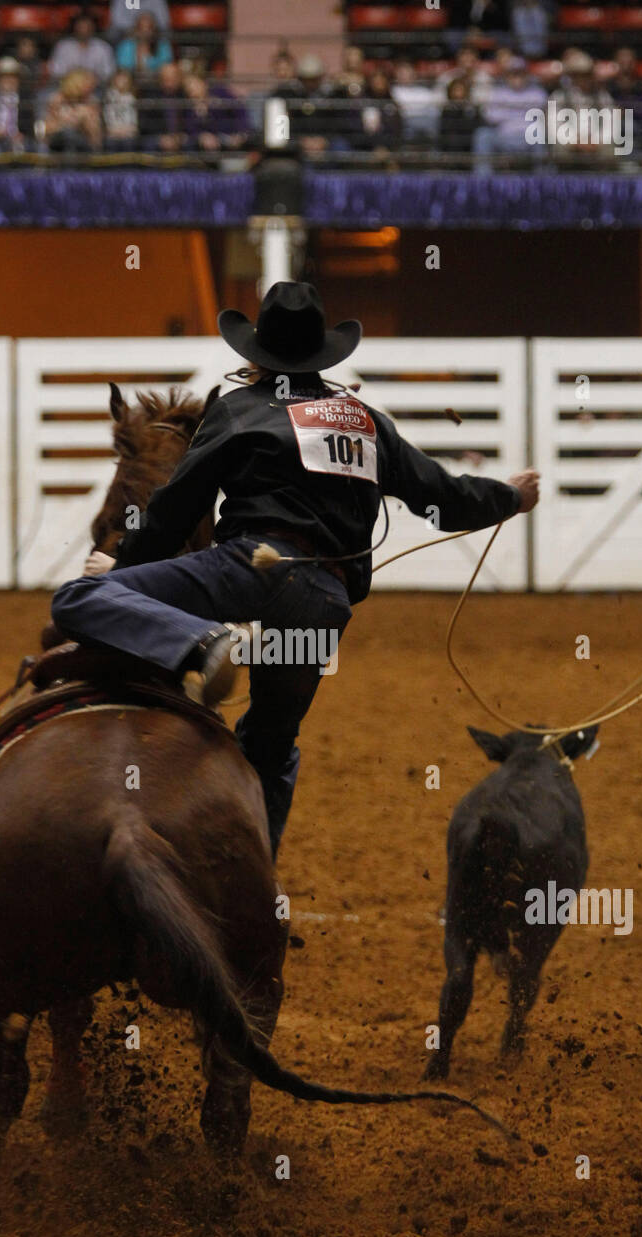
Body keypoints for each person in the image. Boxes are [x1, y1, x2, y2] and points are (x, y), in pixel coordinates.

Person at [51, 283, 539, 861]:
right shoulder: (365, 422)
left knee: (79, 599)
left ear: (257, 356)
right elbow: (446, 498)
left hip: (247, 570)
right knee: (272, 745)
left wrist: (122, 564)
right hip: (323, 604)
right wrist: (509, 497)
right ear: (321, 356)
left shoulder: (237, 410)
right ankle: (254, 871)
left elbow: (174, 512)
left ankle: (201, 643)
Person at [49, 11, 115, 86]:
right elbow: (56, 71)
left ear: (93, 28)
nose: (84, 30)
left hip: (96, 88)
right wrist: (74, 77)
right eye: (81, 27)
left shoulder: (103, 48)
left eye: (87, 27)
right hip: (67, 87)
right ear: (74, 28)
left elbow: (109, 73)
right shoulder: (63, 46)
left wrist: (92, 78)